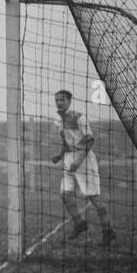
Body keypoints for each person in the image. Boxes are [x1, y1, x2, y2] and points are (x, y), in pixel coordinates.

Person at [52, 89, 115, 245]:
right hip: (69, 159)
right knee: (65, 195)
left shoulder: (79, 118)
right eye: (57, 100)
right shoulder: (57, 121)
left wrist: (78, 161)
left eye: (62, 100)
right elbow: (65, 142)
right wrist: (59, 155)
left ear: (69, 101)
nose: (59, 103)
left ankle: (108, 231)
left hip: (84, 159)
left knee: (93, 197)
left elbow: (89, 140)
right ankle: (80, 223)